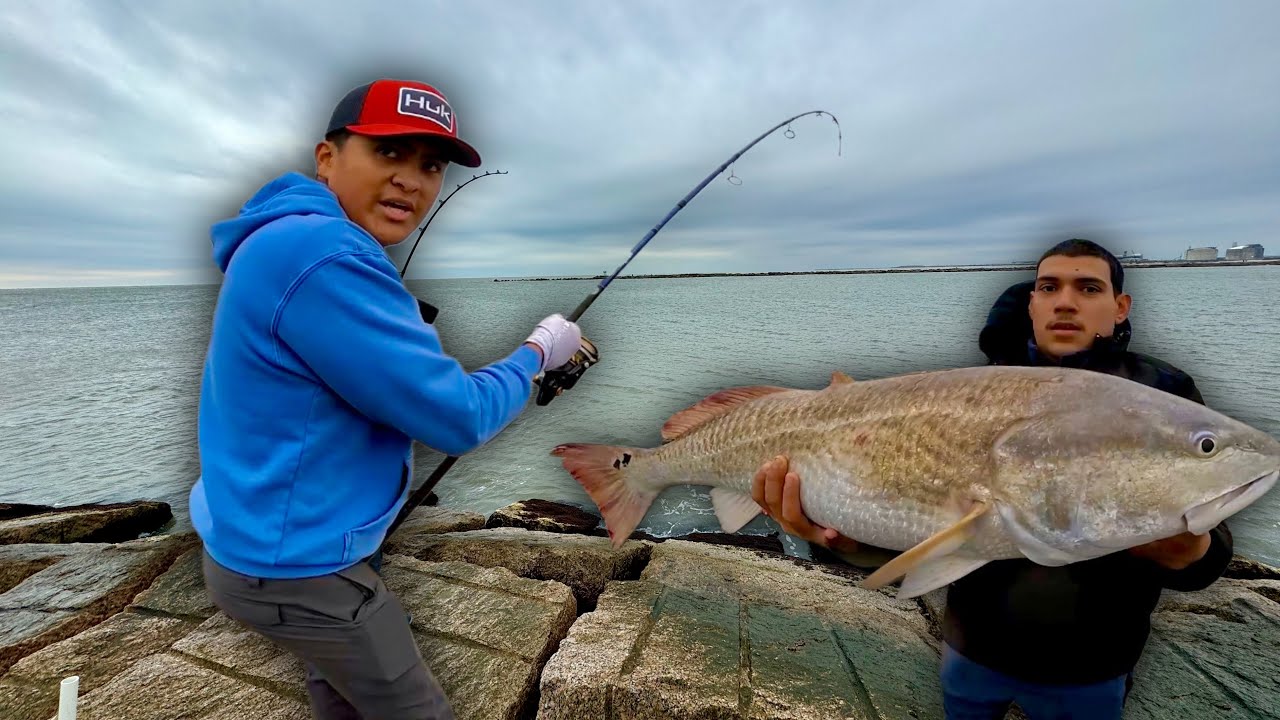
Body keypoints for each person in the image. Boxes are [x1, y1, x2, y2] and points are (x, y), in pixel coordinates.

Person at [191, 78, 587, 720]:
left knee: (340, 692)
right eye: (388, 153)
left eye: (429, 164)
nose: (412, 180)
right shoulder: (324, 254)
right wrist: (540, 352)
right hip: (298, 570)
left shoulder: (285, 239)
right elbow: (458, 416)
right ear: (327, 158)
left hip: (254, 539)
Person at [752, 238, 1233, 719]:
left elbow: (1211, 548)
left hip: (1092, 668)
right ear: (1032, 302)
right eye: (1049, 286)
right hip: (972, 650)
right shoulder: (968, 397)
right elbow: (907, 523)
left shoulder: (1167, 399)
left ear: (1120, 306)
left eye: (1089, 287)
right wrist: (834, 538)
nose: (1065, 301)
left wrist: (1191, 551)